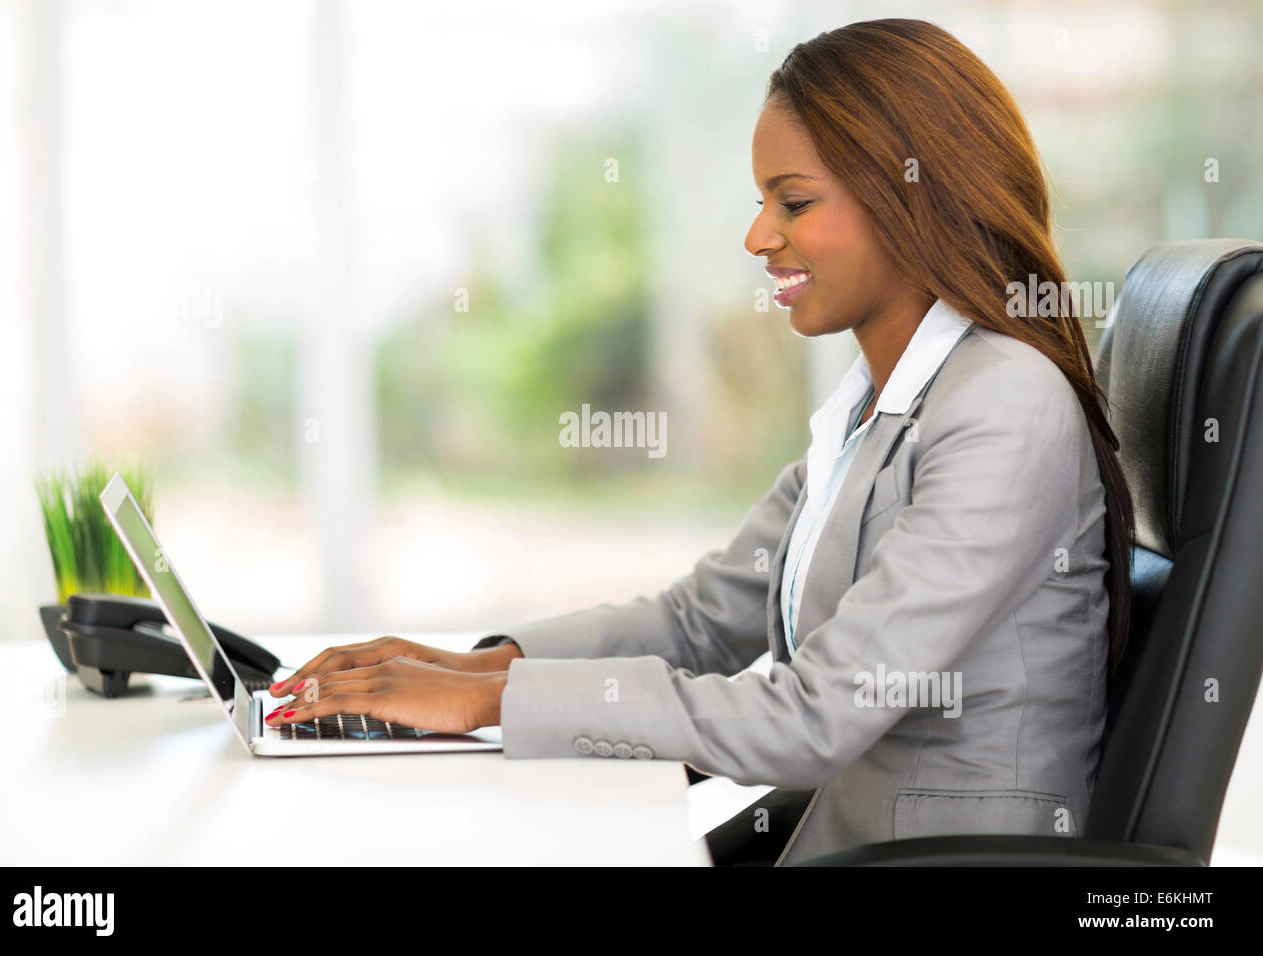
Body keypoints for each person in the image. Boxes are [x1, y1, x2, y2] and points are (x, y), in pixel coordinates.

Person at [264, 18, 1134, 866]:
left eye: (793, 202)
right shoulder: (881, 405)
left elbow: (814, 714)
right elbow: (700, 621)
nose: (758, 237)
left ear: (912, 195)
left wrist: (488, 700)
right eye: (762, 203)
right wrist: (479, 664)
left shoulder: (1003, 407)